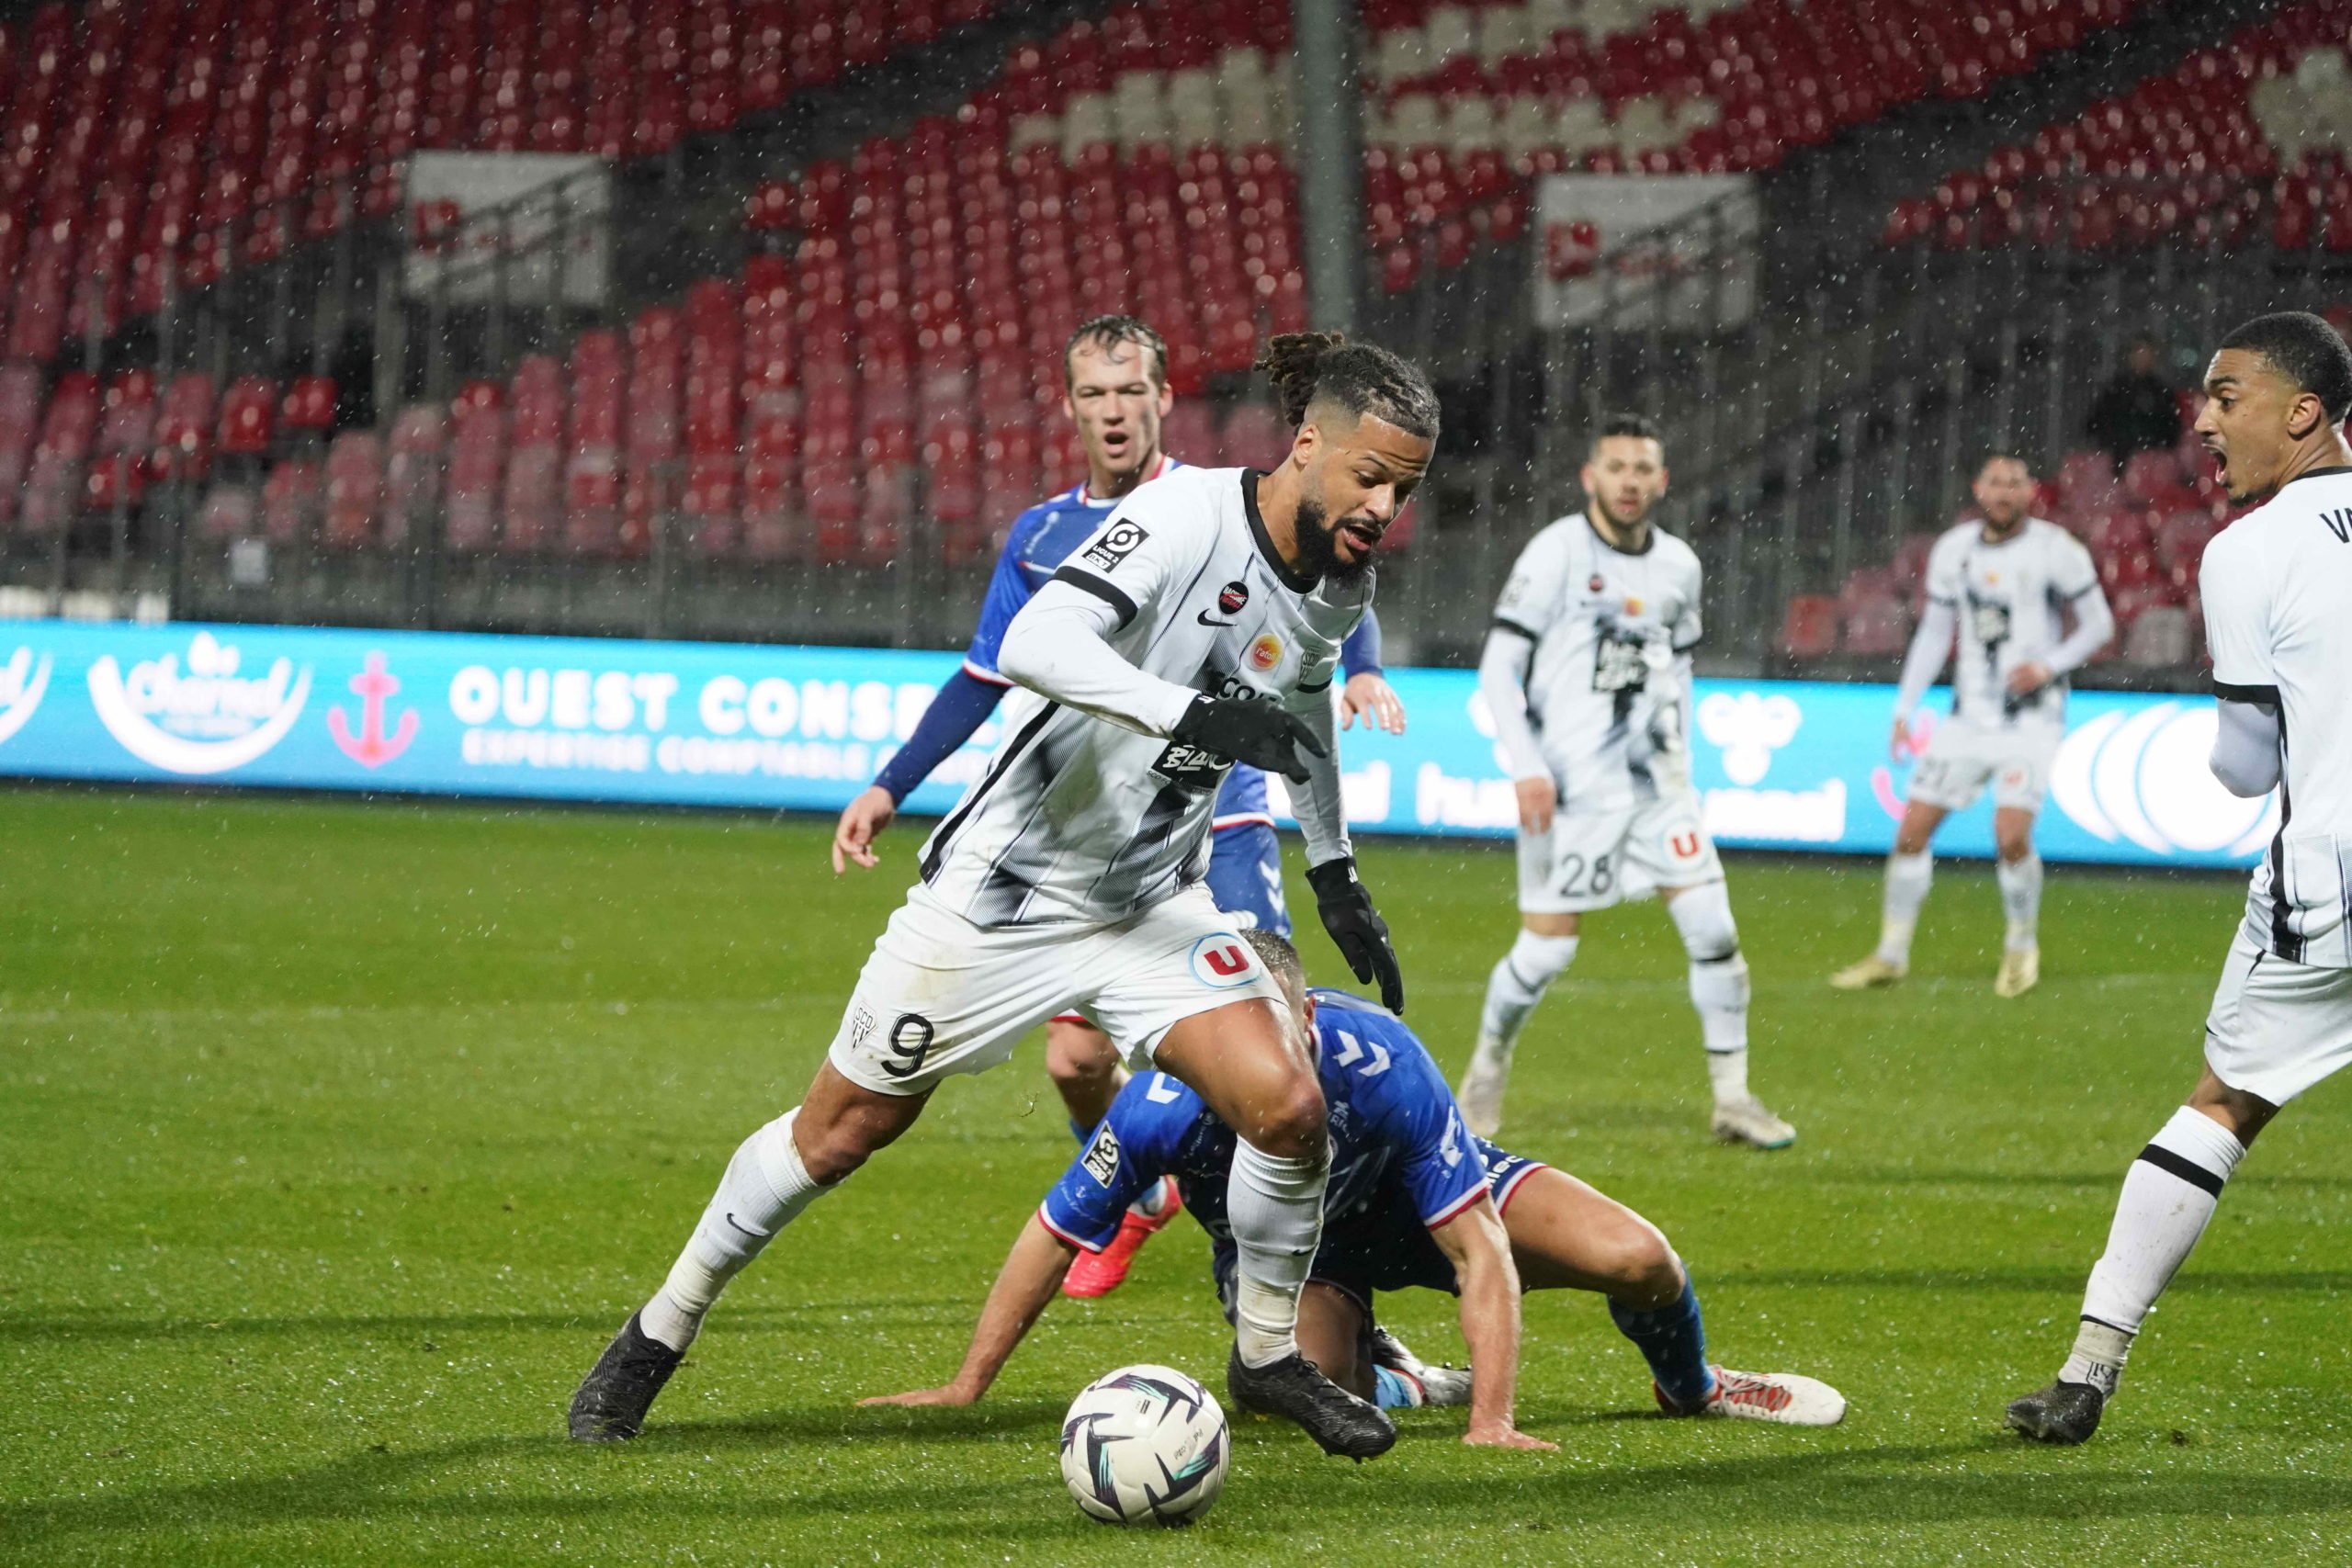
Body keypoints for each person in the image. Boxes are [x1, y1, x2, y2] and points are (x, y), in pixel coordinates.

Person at [569, 332, 1437, 1461]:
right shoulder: (1184, 518)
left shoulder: (1340, 579)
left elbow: (1305, 700)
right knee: (842, 1131)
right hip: (1006, 894)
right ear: (1308, 444)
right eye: (1370, 477)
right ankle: (658, 1329)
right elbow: (1035, 640)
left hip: (1151, 905)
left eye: (1403, 490)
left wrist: (1334, 870)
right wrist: (1185, 713)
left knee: (1287, 1106)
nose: (1383, 508)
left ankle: (1266, 1356)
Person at [830, 316, 1407, 1299]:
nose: (1115, 410)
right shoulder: (1040, 537)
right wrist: (892, 783)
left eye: (1131, 390)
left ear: (1162, 398)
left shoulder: (1217, 505)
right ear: (1069, 406)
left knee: (1272, 1046)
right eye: (1095, 393)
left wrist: (1360, 673)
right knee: (1072, 1063)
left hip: (1219, 815)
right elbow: (986, 674)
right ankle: (1136, 1193)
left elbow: (1326, 598)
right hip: (1093, 833)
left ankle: (1299, 1293)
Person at [862, 931, 1846, 1440]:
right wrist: (966, 1384)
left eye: (1280, 1024)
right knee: (1298, 1392)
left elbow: (1478, 1248)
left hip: (1420, 1208)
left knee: (1641, 1259)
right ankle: (1401, 1376)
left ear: (1307, 1014)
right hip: (1306, 1254)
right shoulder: (1162, 1098)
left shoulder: (1382, 1060)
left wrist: (1494, 1425)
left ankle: (1695, 1387)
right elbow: (1055, 1230)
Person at [2007, 310, 2352, 1445]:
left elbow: (2246, 769)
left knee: (2223, 1105)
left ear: (2302, 412)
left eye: (2225, 397)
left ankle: (2086, 1372)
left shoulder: (2249, 550)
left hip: (2333, 878)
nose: (2200, 420)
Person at [1455, 413, 1793, 1149]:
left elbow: (1681, 663)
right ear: (1590, 477)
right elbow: (1498, 667)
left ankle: (1733, 1098)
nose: (1629, 481)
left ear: (1662, 480)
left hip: (1657, 790)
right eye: (1616, 467)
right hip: (1573, 789)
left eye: (1642, 468)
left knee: (1714, 932)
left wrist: (1682, 758)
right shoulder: (1557, 553)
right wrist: (1528, 765)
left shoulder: (1679, 565)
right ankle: (1486, 1067)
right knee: (1546, 951)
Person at [1830, 456, 2114, 999]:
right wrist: (1904, 709)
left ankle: (2021, 947)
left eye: (2015, 484)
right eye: (1995, 483)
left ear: (2030, 492)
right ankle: (1890, 956)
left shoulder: (2057, 549)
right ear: (1978, 489)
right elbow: (1935, 633)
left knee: (2010, 836)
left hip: (2031, 718)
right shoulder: (1953, 550)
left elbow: (2099, 625)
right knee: (1911, 833)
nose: (2004, 493)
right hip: (1966, 719)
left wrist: (2048, 666)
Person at [2086, 336, 2180, 470]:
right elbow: (2098, 422)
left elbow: (2171, 428)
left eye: (2146, 354)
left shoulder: (2160, 391)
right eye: (2138, 353)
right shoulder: (2115, 389)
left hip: (2153, 462)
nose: (2142, 359)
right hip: (2119, 458)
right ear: (2129, 357)